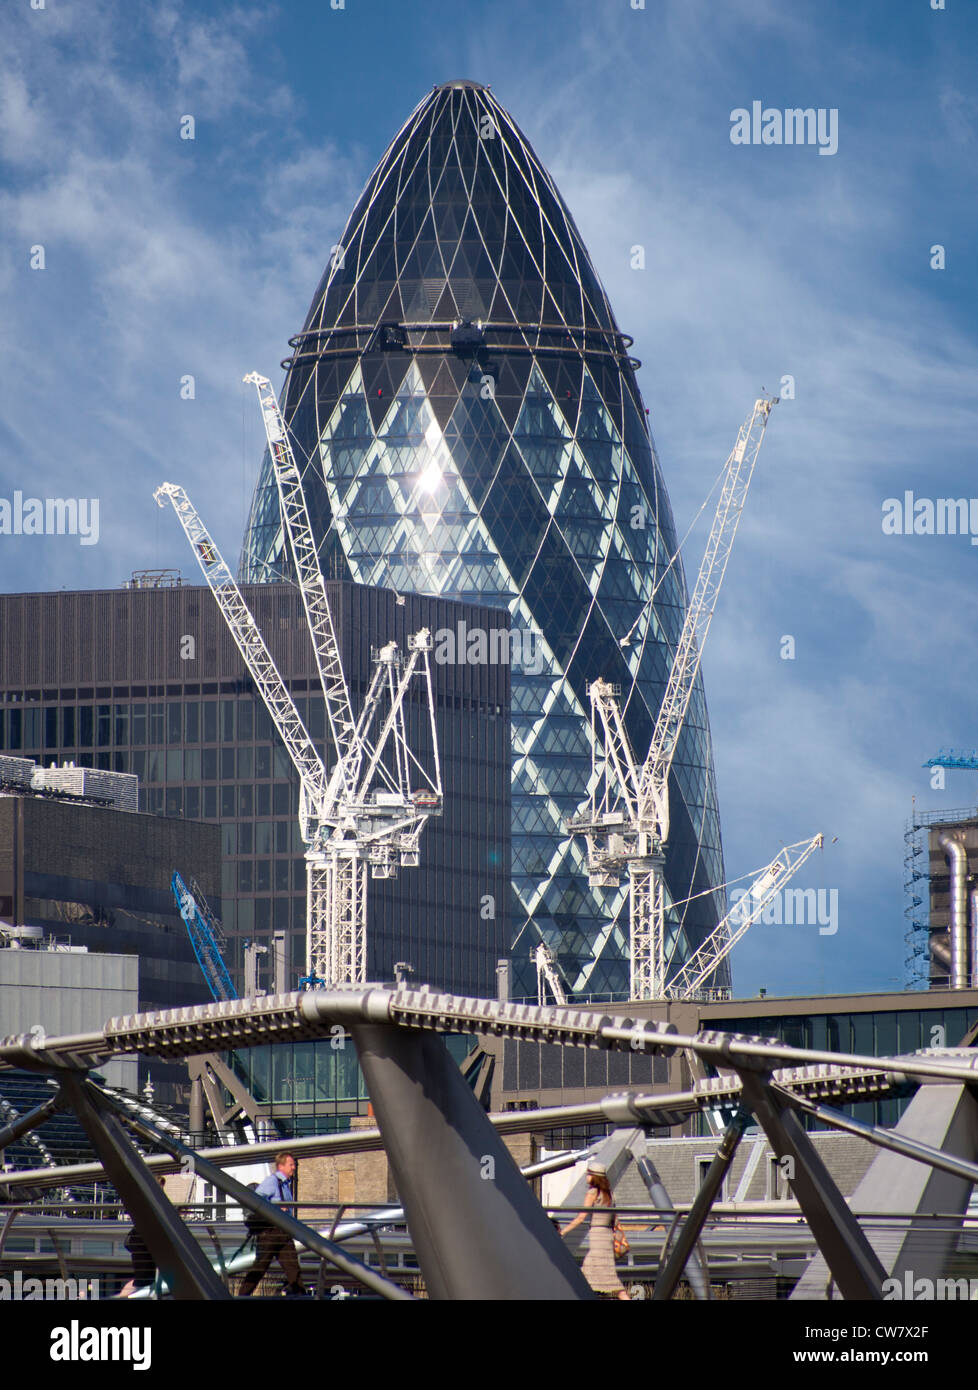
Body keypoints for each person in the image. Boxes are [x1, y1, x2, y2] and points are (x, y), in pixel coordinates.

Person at [238, 1152, 307, 1297]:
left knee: (293, 1268)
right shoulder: (272, 1181)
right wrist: (275, 1209)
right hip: (270, 1233)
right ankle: (242, 1296)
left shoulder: (286, 1185)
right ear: (281, 1166)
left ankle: (301, 1296)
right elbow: (256, 1200)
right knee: (260, 1268)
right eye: (291, 1164)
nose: (294, 1167)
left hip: (283, 1233)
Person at [560, 1161, 630, 1300]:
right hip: (607, 1235)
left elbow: (581, 1217)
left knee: (609, 1279)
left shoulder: (592, 1193)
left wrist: (563, 1231)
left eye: (588, 1174)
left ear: (594, 1176)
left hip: (597, 1236)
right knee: (587, 1273)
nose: (587, 1177)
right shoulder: (610, 1194)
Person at [119, 1175, 168, 1298]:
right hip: (143, 1247)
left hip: (144, 1247)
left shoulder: (151, 1206)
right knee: (142, 1280)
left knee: (141, 1281)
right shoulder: (150, 1206)